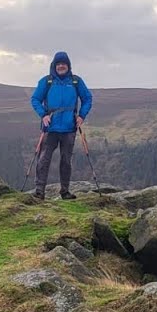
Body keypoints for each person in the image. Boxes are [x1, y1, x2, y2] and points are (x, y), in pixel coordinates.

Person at [29, 51, 93, 200]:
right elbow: (35, 99)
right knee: (44, 159)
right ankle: (39, 191)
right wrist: (43, 115)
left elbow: (87, 98)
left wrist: (82, 116)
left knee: (66, 161)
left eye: (64, 64)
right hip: (50, 128)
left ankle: (65, 191)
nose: (61, 66)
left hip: (69, 128)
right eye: (58, 64)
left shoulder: (76, 82)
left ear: (68, 65)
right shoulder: (46, 81)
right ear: (54, 65)